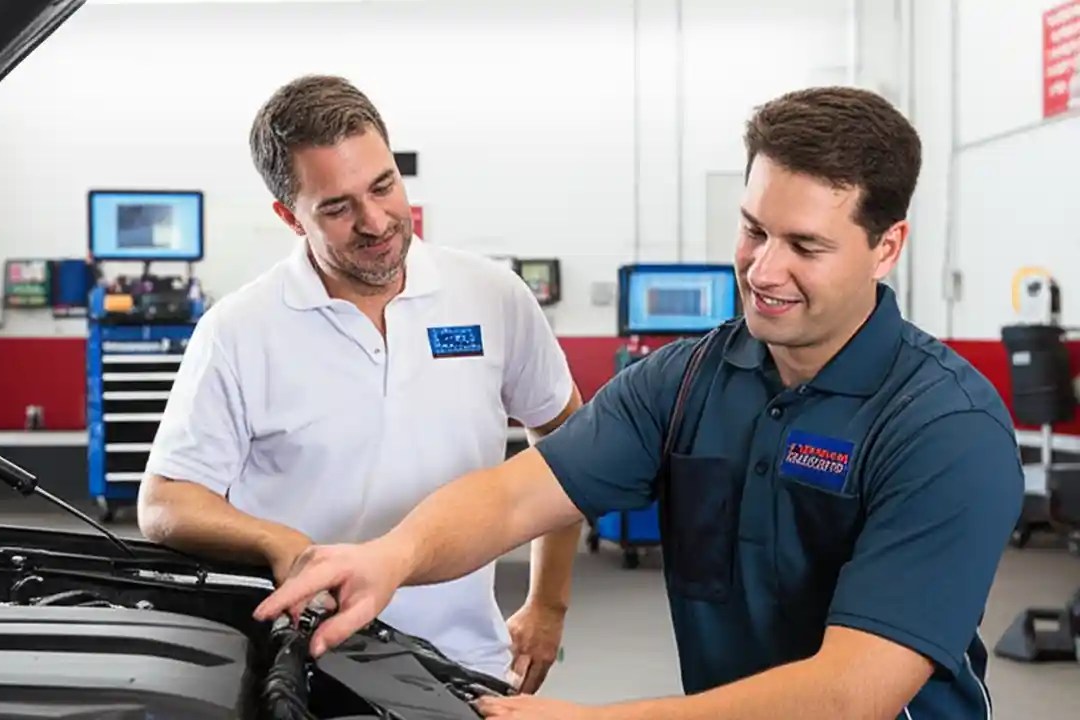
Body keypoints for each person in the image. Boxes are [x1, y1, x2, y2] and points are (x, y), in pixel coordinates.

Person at [255, 86, 1026, 720]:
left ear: (886, 246)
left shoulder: (944, 428)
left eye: (805, 246)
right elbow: (515, 496)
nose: (762, 269)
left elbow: (855, 692)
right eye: (753, 230)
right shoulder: (687, 379)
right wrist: (392, 557)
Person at [136, 74, 584, 691]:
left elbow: (569, 452)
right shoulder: (240, 329)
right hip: (306, 665)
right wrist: (278, 542)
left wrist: (548, 604)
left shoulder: (491, 297)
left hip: (465, 665)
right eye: (338, 207)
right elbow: (165, 503)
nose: (376, 222)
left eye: (384, 186)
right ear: (290, 217)